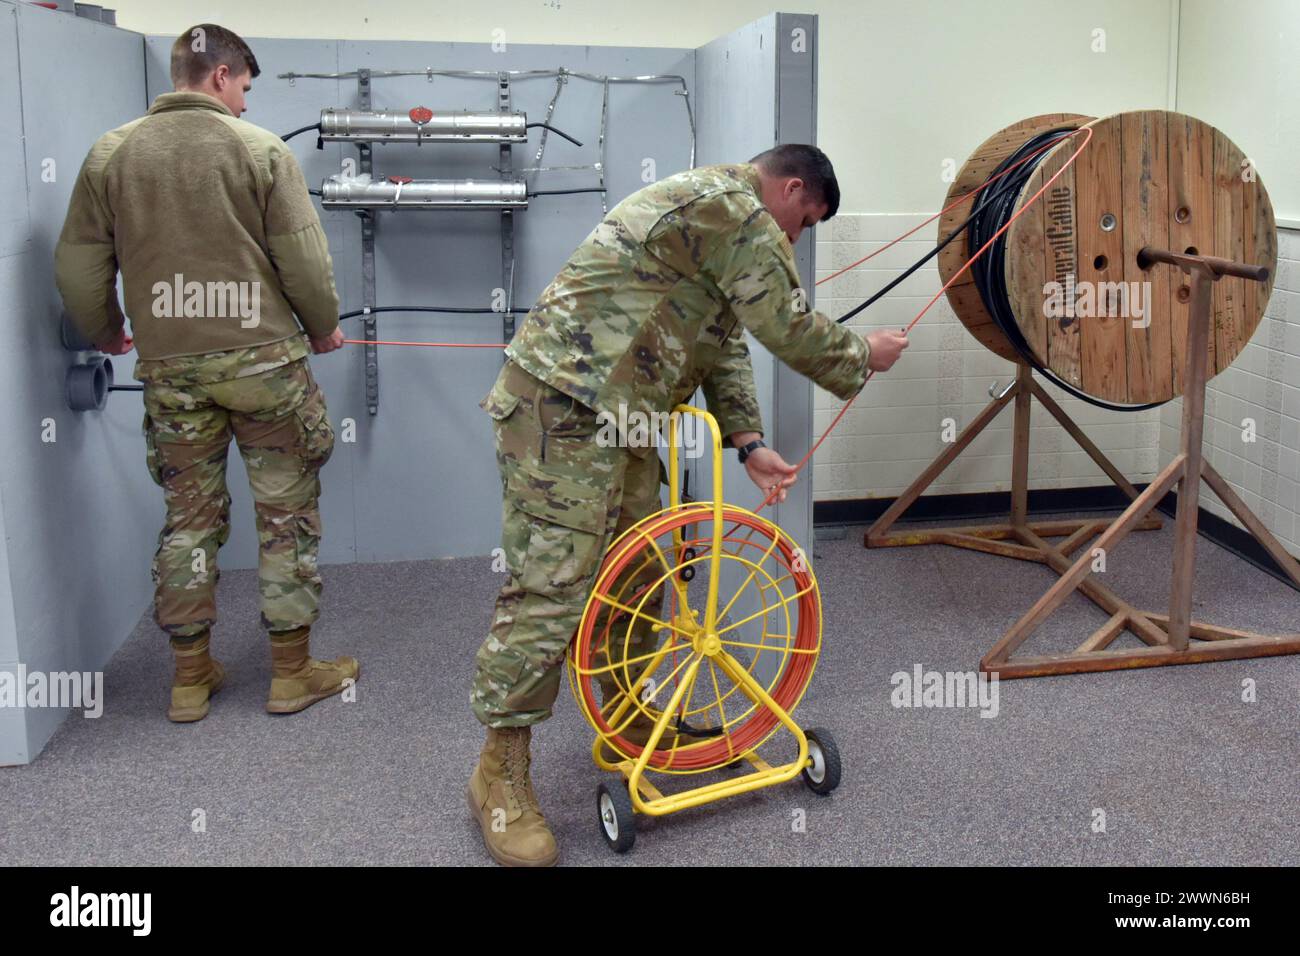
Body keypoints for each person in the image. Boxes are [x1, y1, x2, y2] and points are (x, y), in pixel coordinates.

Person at [467, 144, 910, 865]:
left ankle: (637, 722)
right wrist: (863, 355)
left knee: (640, 579)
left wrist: (747, 438)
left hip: (626, 416)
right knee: (552, 590)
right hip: (564, 408)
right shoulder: (733, 208)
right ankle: (499, 771)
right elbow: (785, 325)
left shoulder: (723, 221)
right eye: (803, 220)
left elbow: (726, 339)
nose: (796, 238)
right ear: (790, 187)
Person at [54, 23, 359, 723]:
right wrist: (322, 325)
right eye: (245, 88)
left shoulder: (113, 153)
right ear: (220, 75)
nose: (247, 105)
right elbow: (304, 258)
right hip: (264, 364)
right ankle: (290, 674)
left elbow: (77, 263)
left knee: (188, 518)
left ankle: (189, 679)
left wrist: (106, 330)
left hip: (171, 368)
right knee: (286, 516)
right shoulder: (259, 151)